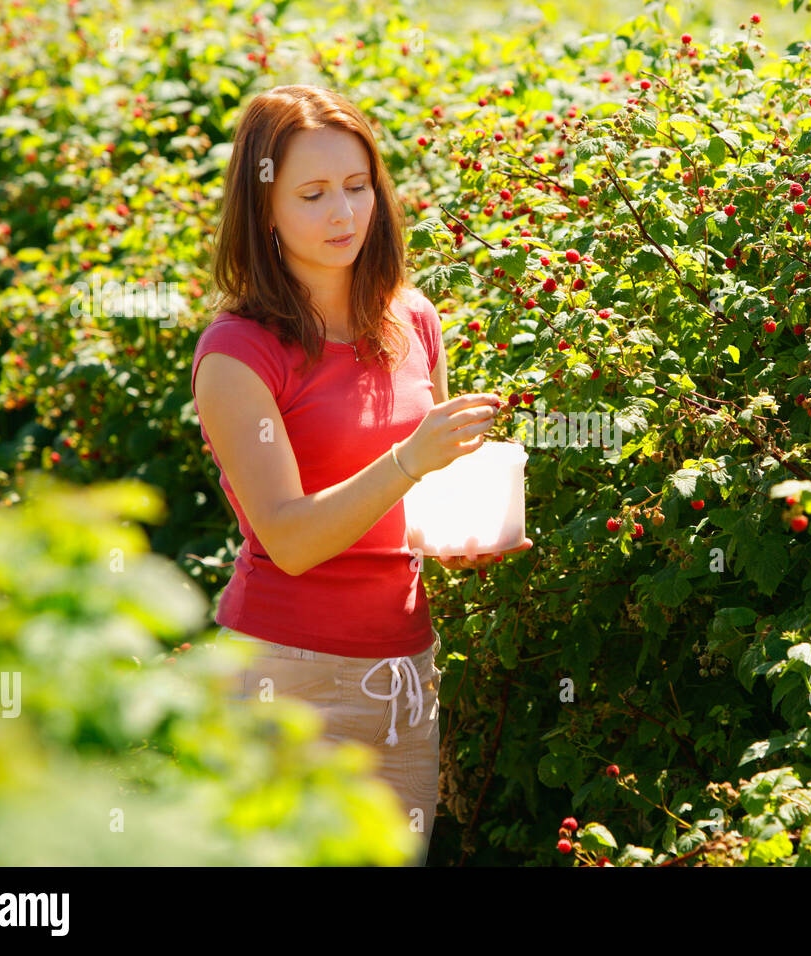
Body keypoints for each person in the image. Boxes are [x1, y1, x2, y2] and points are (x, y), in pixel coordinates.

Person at [190, 84, 532, 866]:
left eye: (357, 187)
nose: (342, 212)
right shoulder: (239, 353)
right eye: (312, 195)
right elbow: (292, 537)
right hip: (288, 679)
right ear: (263, 208)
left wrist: (461, 535)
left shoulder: (410, 318)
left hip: (405, 673)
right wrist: (411, 456)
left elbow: (424, 495)